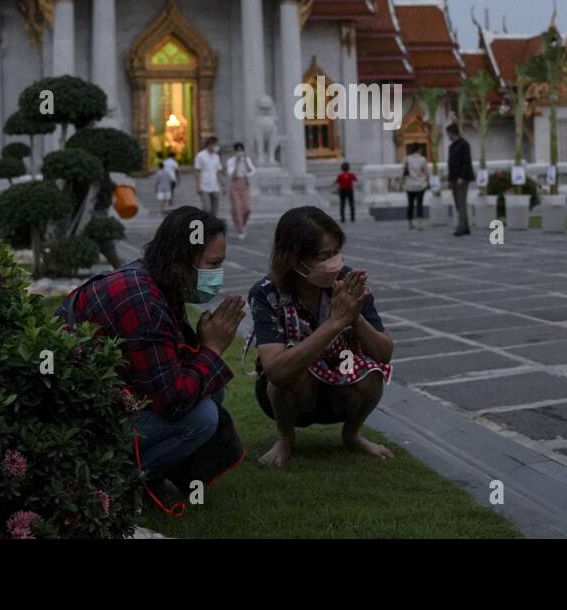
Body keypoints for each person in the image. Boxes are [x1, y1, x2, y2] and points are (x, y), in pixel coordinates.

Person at [57, 207, 248, 490]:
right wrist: (212, 349)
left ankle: (152, 471)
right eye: (212, 264)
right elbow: (173, 401)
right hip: (73, 427)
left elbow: (162, 369)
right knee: (202, 417)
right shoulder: (142, 301)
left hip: (103, 403)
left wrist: (199, 346)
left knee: (211, 386)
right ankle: (112, 484)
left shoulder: (156, 279)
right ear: (179, 260)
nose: (217, 275)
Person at [246, 206, 394, 467]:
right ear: (295, 259)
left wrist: (355, 316)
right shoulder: (267, 293)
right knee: (290, 373)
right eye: (324, 256)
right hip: (290, 396)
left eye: (336, 252)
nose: (334, 262)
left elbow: (384, 354)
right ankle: (285, 438)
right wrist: (335, 323)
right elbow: (276, 371)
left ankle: (352, 434)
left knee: (372, 372)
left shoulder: (349, 281)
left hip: (340, 384)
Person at [446, 123, 475, 237]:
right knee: (458, 203)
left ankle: (460, 227)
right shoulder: (451, 146)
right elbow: (450, 164)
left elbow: (466, 162)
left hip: (462, 178)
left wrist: (462, 177)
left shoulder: (464, 145)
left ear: (453, 133)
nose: (448, 136)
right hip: (453, 178)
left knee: (461, 202)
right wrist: (450, 180)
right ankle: (466, 226)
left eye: (448, 133)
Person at [226, 142, 256, 240]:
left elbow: (252, 170)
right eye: (237, 150)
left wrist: (246, 163)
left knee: (247, 208)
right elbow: (231, 174)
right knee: (237, 209)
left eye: (241, 150)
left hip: (245, 184)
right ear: (235, 152)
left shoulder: (246, 159)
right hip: (235, 184)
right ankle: (240, 230)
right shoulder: (230, 161)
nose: (239, 152)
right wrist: (237, 163)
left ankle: (242, 224)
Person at [193, 136, 223, 217]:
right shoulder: (200, 156)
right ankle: (205, 224)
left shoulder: (216, 157)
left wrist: (222, 185)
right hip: (204, 186)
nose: (216, 147)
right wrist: (197, 186)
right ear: (210, 145)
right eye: (215, 145)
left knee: (214, 210)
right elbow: (197, 171)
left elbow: (218, 171)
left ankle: (212, 227)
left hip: (215, 186)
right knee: (207, 208)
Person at [402, 143, 430, 230]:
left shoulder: (406, 159)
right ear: (418, 150)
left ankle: (410, 223)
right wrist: (427, 181)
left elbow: (404, 172)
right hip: (420, 185)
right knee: (419, 204)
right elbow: (426, 172)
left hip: (409, 185)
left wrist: (403, 183)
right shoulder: (422, 159)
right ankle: (420, 224)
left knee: (410, 204)